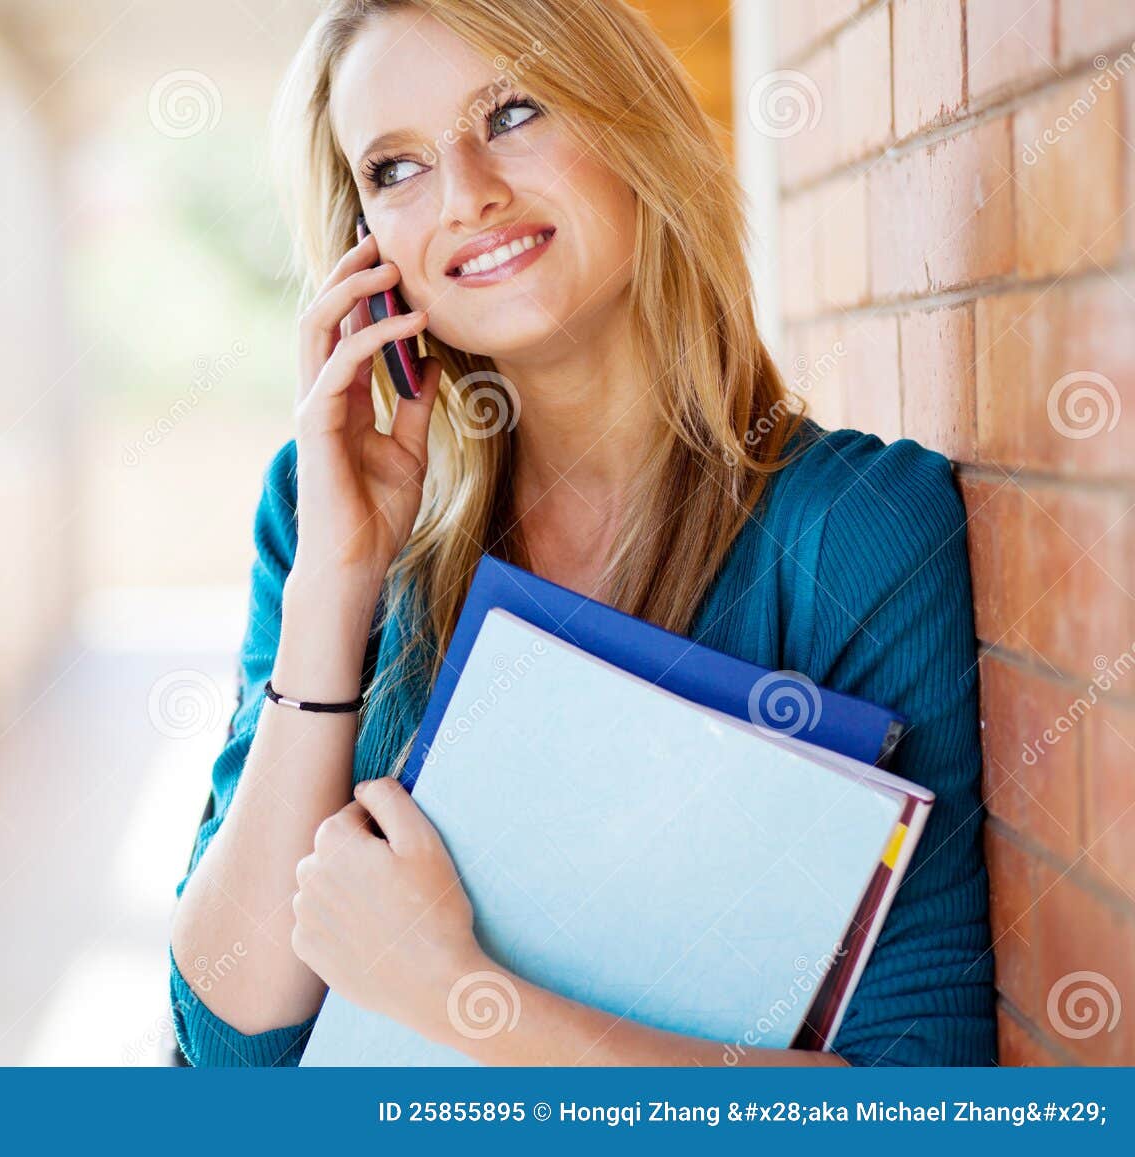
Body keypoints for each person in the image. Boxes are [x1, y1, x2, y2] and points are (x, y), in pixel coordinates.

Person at [167, 0, 996, 1067]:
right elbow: (230, 1046)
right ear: (366, 252)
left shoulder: (857, 532)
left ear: (634, 125)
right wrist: (337, 577)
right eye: (395, 168)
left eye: (512, 113)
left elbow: (917, 1093)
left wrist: (458, 991)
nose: (466, 194)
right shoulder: (321, 508)